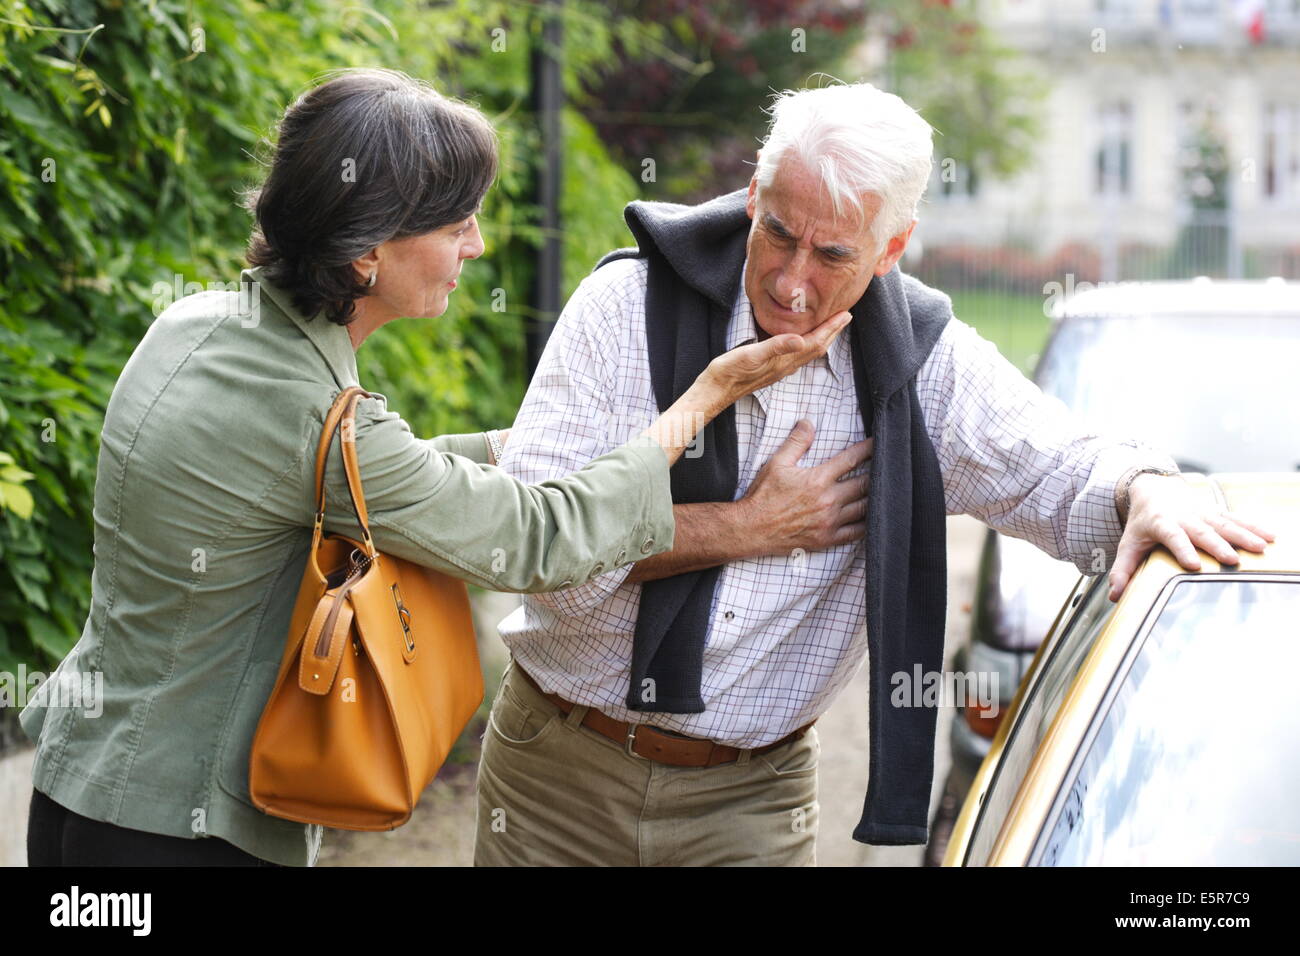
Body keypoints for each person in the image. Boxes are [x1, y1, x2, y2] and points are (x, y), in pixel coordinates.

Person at [18, 68, 848, 867]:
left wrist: (530, 445)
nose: (478, 246)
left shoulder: (200, 324)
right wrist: (700, 404)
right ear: (368, 250)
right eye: (456, 226)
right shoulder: (315, 416)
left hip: (78, 792)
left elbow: (379, 478)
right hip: (179, 833)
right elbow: (534, 543)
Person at [477, 81, 1277, 866]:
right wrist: (746, 529)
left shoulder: (924, 361)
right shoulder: (624, 305)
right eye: (779, 234)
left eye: (832, 255)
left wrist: (1146, 488)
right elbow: (535, 552)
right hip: (556, 773)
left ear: (893, 249)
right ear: (753, 198)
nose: (792, 282)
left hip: (746, 804)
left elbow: (1061, 472)